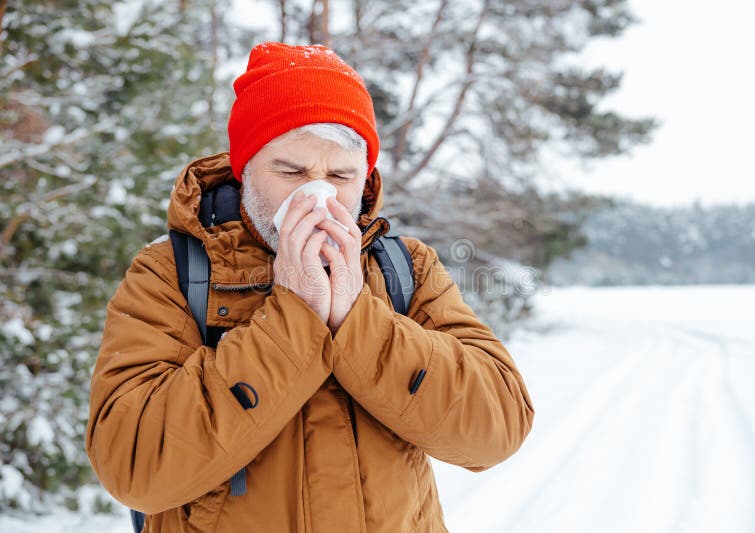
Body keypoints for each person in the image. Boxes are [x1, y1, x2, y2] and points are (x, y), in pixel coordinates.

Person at [85, 41, 534, 532]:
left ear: (364, 180)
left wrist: (356, 322)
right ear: (246, 167)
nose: (317, 194)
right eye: (291, 170)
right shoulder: (170, 272)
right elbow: (134, 464)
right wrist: (293, 318)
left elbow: (499, 427)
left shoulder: (406, 268)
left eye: (340, 175)